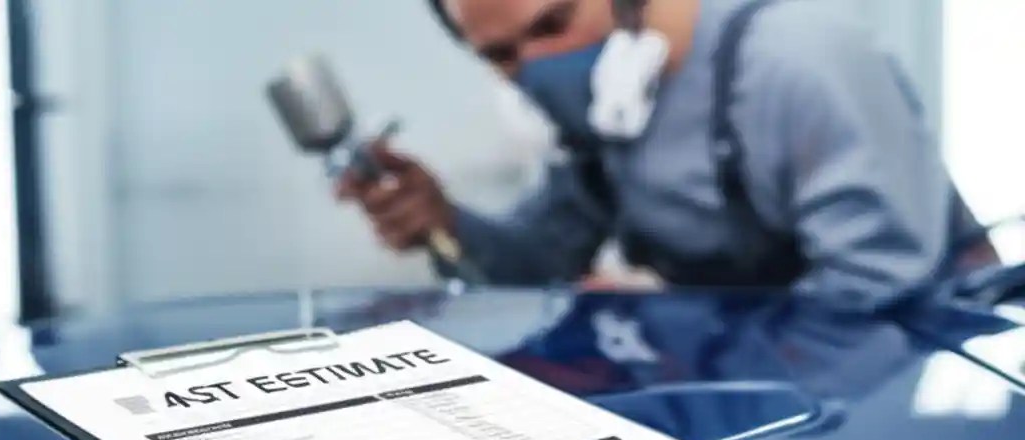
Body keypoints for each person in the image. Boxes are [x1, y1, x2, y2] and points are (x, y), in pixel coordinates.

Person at [335, 0, 997, 311]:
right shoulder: (598, 111)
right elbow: (546, 255)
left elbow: (878, 292)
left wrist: (672, 321)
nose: (534, 69)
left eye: (553, 25)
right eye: (502, 56)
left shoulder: (799, 59)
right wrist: (445, 221)